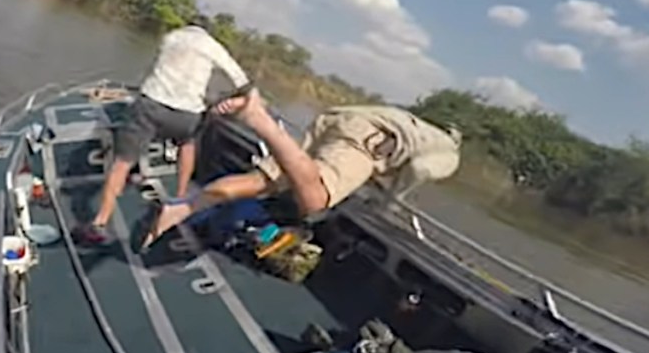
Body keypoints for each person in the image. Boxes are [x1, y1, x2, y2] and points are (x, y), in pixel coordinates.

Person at [146, 86, 462, 245]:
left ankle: (182, 208)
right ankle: (259, 118)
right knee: (315, 200)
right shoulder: (450, 154)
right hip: (366, 139)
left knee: (263, 180)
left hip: (338, 120)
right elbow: (418, 170)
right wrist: (392, 202)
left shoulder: (420, 127)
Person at [74, 22, 250, 244]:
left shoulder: (171, 37)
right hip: (186, 115)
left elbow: (154, 69)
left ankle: (100, 222)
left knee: (122, 163)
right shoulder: (212, 46)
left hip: (151, 105)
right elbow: (242, 81)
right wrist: (237, 101)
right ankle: (180, 199)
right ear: (206, 32)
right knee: (188, 143)